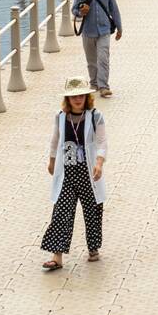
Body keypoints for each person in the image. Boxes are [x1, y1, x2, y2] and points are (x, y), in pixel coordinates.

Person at [41, 77, 108, 270]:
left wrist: (99, 163)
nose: (77, 99)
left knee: (93, 210)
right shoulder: (60, 116)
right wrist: (52, 161)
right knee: (61, 212)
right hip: (67, 173)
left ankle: (93, 248)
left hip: (88, 172)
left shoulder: (96, 116)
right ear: (67, 99)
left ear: (87, 97)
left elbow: (102, 142)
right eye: (73, 96)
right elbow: (55, 140)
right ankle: (57, 256)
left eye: (81, 95)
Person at [71, 0, 122, 97]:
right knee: (92, 61)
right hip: (88, 31)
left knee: (103, 58)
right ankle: (94, 83)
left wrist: (119, 28)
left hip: (104, 31)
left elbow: (114, 11)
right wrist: (81, 12)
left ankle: (104, 86)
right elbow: (74, 10)